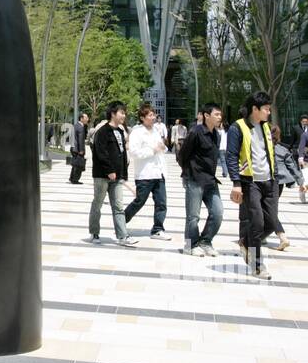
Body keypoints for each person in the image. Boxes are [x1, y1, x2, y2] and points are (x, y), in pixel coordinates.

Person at [225, 91, 278, 280]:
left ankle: (245, 242)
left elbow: (269, 153)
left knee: (272, 223)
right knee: (257, 223)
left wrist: (275, 176)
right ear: (255, 109)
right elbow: (231, 156)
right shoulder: (237, 127)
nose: (268, 112)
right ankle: (257, 266)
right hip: (250, 182)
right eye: (266, 109)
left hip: (269, 181)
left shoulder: (266, 127)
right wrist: (236, 183)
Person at [178, 102, 224, 256]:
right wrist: (188, 172)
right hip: (195, 179)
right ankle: (190, 246)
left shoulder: (216, 135)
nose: (220, 117)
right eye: (216, 114)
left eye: (220, 114)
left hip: (210, 180)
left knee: (217, 213)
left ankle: (205, 241)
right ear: (206, 116)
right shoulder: (195, 132)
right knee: (193, 216)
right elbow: (182, 155)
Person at [88, 101, 134, 245]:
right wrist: (109, 170)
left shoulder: (120, 131)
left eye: (124, 113)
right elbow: (100, 153)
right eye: (121, 113)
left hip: (117, 176)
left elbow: (122, 154)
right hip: (102, 176)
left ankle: (122, 236)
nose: (124, 116)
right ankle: (94, 233)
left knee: (119, 206)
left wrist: (123, 173)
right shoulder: (102, 132)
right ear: (113, 114)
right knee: (98, 204)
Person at [124, 105, 170, 239]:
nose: (153, 117)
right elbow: (134, 152)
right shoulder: (137, 132)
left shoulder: (155, 130)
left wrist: (163, 148)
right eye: (150, 115)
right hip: (145, 173)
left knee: (161, 203)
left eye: (153, 115)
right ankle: (121, 222)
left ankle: (157, 229)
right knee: (139, 201)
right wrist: (152, 151)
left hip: (159, 173)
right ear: (142, 118)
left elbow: (161, 148)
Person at [268, 126, 295, 251]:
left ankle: (282, 236)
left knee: (268, 209)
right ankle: (263, 236)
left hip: (268, 180)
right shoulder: (283, 149)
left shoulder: (264, 148)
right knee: (270, 208)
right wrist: (299, 181)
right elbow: (291, 165)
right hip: (280, 182)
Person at [68, 111, 89, 184]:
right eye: (86, 117)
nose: (87, 119)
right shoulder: (80, 127)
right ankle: (75, 180)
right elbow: (80, 139)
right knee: (79, 165)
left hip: (73, 148)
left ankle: (72, 178)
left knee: (75, 164)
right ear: (81, 118)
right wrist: (81, 150)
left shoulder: (75, 125)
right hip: (77, 149)